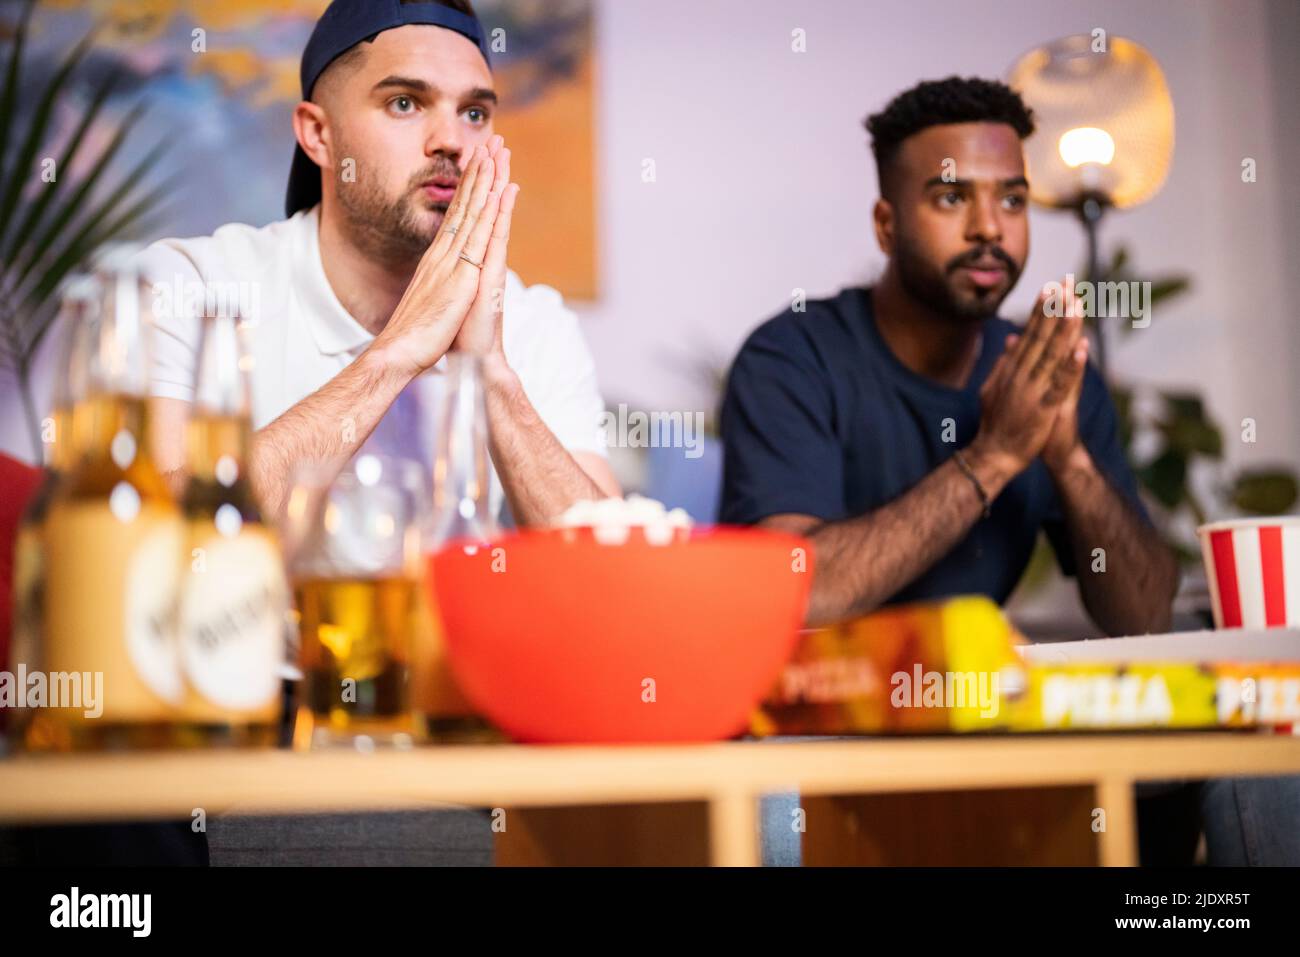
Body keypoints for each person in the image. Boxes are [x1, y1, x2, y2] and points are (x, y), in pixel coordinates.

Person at [722, 76, 1296, 866]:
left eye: (1015, 200)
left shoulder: (1048, 374)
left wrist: (1067, 456)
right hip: (833, 721)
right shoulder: (792, 358)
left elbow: (1143, 612)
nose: (991, 228)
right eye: (952, 199)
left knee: (1268, 741)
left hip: (998, 716)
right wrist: (993, 456)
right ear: (887, 225)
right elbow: (797, 590)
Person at [139, 0, 619, 525]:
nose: (452, 142)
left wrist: (492, 376)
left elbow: (615, 570)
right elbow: (154, 531)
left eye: (474, 113)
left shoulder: (534, 324)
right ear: (319, 135)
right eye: (405, 103)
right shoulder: (192, 286)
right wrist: (394, 354)